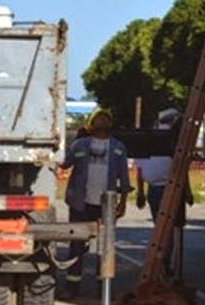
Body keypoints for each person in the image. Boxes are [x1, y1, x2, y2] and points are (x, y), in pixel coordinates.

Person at [59, 108, 131, 299]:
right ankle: (72, 287)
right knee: (76, 246)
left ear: (110, 124)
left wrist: (122, 203)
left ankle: (102, 289)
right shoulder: (80, 145)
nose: (102, 121)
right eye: (98, 119)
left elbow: (124, 177)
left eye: (105, 119)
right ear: (91, 124)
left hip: (106, 206)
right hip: (80, 203)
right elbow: (64, 163)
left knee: (105, 247)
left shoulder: (118, 147)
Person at [135, 108, 193, 280]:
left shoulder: (149, 139)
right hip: (170, 188)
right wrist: (188, 191)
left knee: (160, 228)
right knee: (170, 230)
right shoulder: (174, 140)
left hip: (156, 189)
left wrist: (140, 192)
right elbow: (182, 168)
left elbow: (139, 170)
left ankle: (162, 263)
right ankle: (164, 263)